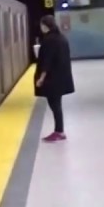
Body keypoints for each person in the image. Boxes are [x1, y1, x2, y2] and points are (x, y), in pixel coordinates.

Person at [35, 14, 75, 142]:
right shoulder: (61, 38)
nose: (40, 28)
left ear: (45, 25)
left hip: (52, 79)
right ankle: (59, 131)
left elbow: (47, 62)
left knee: (55, 105)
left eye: (41, 25)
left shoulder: (49, 40)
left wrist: (41, 78)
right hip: (61, 77)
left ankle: (59, 131)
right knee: (57, 104)